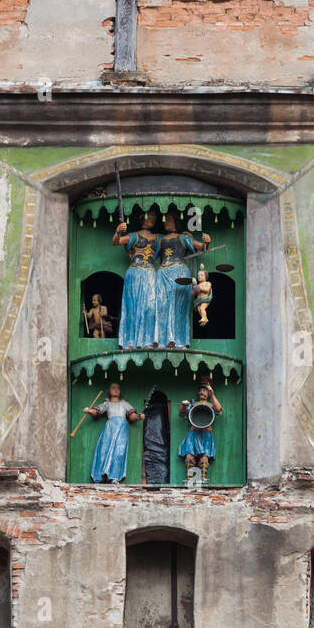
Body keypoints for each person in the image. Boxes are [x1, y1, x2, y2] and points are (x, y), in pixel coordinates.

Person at [155, 207, 211, 349]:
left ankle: (179, 340)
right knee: (161, 306)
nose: (165, 222)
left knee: (179, 307)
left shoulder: (183, 238)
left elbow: (202, 247)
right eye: (165, 220)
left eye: (168, 219)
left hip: (179, 274)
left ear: (175, 222)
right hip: (162, 274)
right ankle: (161, 340)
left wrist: (207, 242)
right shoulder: (160, 239)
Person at [113, 209, 161, 350]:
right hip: (134, 273)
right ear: (142, 218)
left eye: (154, 216)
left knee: (150, 307)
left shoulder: (158, 238)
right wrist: (118, 232)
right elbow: (116, 242)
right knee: (132, 307)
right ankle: (130, 341)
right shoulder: (133, 236)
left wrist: (186, 236)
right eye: (149, 215)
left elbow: (174, 242)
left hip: (150, 274)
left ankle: (147, 340)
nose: (152, 218)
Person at [84, 382, 144, 484]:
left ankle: (114, 477)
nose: (116, 390)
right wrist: (89, 411)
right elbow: (97, 411)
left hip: (122, 428)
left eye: (118, 388)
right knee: (104, 450)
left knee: (119, 452)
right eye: (113, 388)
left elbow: (132, 416)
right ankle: (101, 475)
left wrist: (138, 416)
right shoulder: (107, 403)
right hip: (110, 428)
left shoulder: (124, 403)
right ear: (109, 391)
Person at [178, 376, 223, 484]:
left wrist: (212, 394)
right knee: (189, 455)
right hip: (194, 433)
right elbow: (182, 413)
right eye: (201, 390)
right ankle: (190, 478)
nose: (202, 392)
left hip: (206, 433)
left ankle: (202, 478)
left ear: (208, 393)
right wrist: (184, 406)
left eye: (204, 390)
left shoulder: (211, 405)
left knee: (204, 458)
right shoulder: (194, 404)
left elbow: (219, 410)